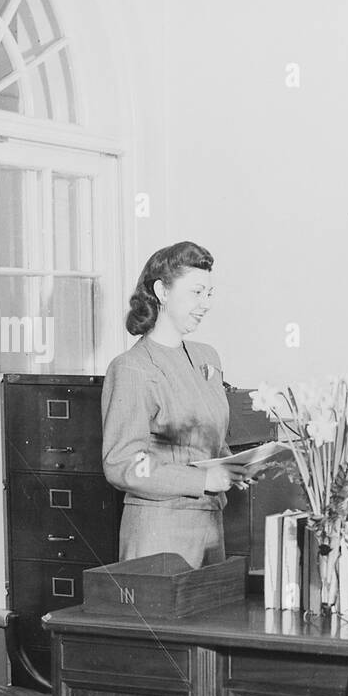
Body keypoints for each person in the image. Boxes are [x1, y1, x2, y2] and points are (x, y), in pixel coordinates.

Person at [101, 241, 250, 567]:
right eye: (197, 292)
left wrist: (234, 465)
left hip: (211, 526)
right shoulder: (131, 368)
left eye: (209, 294)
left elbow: (207, 439)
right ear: (162, 291)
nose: (206, 304)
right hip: (159, 533)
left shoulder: (206, 357)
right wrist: (202, 481)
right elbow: (122, 463)